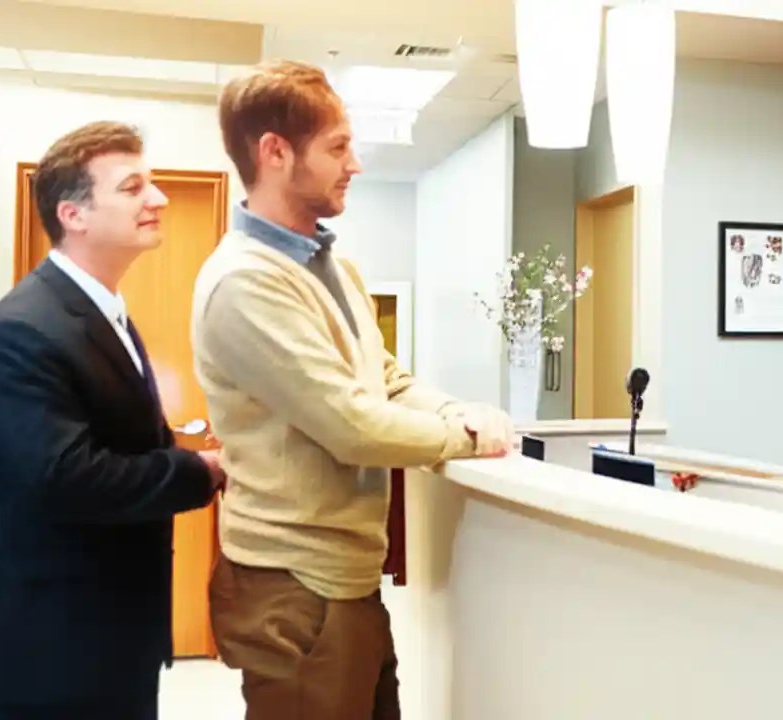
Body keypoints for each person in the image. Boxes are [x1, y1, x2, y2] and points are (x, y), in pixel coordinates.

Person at [192, 60, 514, 720]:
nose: (355, 164)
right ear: (275, 153)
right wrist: (466, 439)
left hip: (346, 580)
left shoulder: (330, 264)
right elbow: (351, 424)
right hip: (296, 586)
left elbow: (384, 379)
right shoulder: (245, 282)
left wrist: (456, 410)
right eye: (337, 146)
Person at [0, 121, 225, 719]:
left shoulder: (102, 310)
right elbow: (63, 479)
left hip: (111, 639)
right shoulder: (22, 329)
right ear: (73, 214)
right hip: (50, 652)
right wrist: (199, 471)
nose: (157, 199)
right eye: (134, 188)